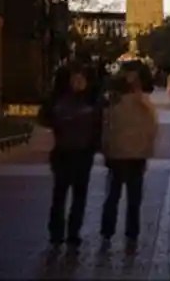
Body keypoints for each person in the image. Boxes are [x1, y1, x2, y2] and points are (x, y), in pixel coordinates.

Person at [37, 65, 102, 249]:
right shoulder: (59, 99)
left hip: (83, 153)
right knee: (59, 193)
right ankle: (56, 232)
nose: (78, 82)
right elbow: (45, 117)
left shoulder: (92, 100)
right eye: (75, 79)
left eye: (81, 79)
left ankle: (74, 232)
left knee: (79, 196)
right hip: (63, 152)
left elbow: (99, 125)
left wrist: (96, 145)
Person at [99, 69, 159, 250]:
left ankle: (107, 231)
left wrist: (106, 150)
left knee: (112, 195)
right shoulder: (144, 104)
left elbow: (105, 130)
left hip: (117, 156)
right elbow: (152, 128)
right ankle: (132, 232)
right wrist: (147, 150)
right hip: (137, 157)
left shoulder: (111, 104)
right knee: (134, 197)